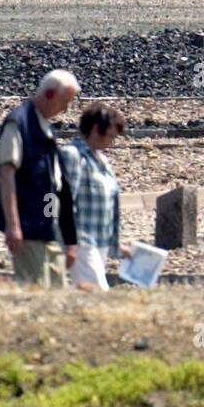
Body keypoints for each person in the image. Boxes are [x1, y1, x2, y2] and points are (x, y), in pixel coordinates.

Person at [0, 70, 80, 288]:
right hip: (28, 228)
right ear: (49, 94)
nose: (65, 109)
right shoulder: (19, 122)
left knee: (57, 290)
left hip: (48, 227)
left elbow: (58, 185)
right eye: (64, 102)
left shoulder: (45, 128)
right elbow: (7, 174)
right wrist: (13, 225)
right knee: (34, 288)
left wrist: (70, 239)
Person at [59, 104, 132, 291]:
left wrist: (116, 245)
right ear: (94, 129)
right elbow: (60, 199)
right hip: (80, 240)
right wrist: (68, 242)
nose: (110, 141)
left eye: (113, 137)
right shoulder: (72, 155)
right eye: (108, 135)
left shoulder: (102, 161)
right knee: (98, 292)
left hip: (100, 242)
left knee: (83, 293)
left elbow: (109, 206)